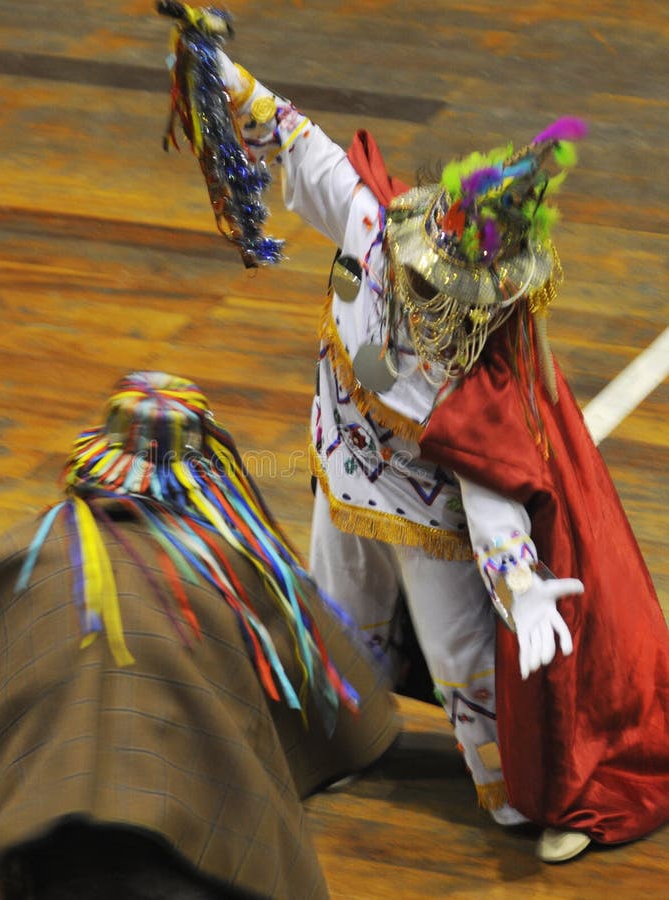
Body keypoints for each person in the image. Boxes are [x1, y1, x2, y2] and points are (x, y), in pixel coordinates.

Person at [160, 5, 669, 864]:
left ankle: (519, 793)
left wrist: (519, 586)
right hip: (339, 472)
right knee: (337, 618)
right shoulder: (369, 224)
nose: (437, 311)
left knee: (461, 649)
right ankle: (339, 743)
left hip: (426, 513)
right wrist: (208, 65)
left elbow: (493, 494)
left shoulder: (473, 383)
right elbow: (289, 135)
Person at [0, 371, 400, 900]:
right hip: (180, 833)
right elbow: (333, 677)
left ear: (98, 461)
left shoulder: (26, 550)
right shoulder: (238, 563)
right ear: (208, 475)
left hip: (50, 814)